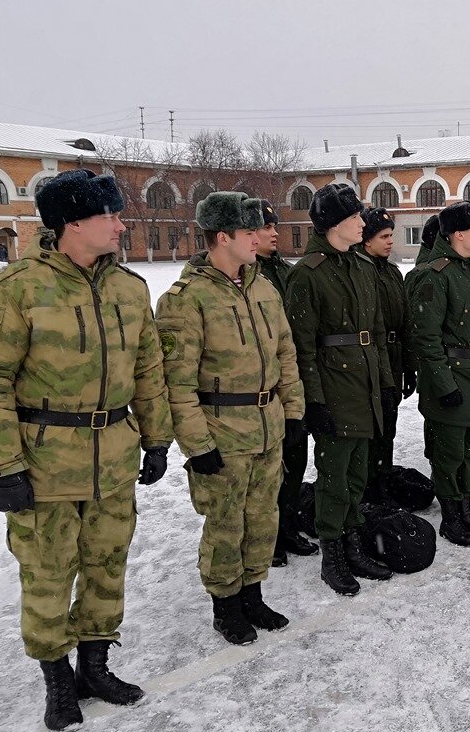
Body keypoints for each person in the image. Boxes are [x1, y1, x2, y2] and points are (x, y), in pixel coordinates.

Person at [0, 169, 173, 732]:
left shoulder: (130, 288)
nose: (122, 226)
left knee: (107, 567)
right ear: (73, 224)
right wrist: (3, 466)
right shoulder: (15, 289)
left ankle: (95, 667)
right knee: (48, 576)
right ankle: (57, 681)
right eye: (111, 216)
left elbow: (148, 370)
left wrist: (156, 438)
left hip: (115, 459)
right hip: (45, 465)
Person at [156, 192, 305, 645]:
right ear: (224, 237)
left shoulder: (263, 286)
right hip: (222, 430)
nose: (259, 238)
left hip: (268, 423)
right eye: (248, 232)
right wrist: (197, 445)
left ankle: (253, 593)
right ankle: (226, 604)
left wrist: (293, 412)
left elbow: (286, 352)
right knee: (226, 522)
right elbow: (176, 383)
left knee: (263, 517)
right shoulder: (186, 299)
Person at [289, 184, 397, 596]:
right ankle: (332, 555)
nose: (362, 223)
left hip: (366, 386)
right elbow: (303, 346)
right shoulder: (308, 274)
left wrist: (386, 384)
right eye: (355, 217)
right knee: (333, 477)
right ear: (334, 224)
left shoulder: (363, 268)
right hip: (334, 389)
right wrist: (313, 402)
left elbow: (378, 334)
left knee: (356, 473)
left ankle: (353, 544)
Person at [409, 201, 470, 542]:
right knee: (449, 450)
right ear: (458, 235)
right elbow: (425, 339)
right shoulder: (432, 275)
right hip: (451, 374)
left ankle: (465, 506)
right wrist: (443, 384)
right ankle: (451, 515)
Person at [254, 200, 318, 564]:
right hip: (258, 385)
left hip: (290, 378)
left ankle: (288, 525)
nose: (275, 233)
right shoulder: (241, 273)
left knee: (295, 456)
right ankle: (268, 537)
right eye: (266, 228)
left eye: (275, 226)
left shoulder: (284, 270)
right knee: (267, 468)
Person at [357, 207, 416, 506]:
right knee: (373, 426)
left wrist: (409, 367)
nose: (390, 241)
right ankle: (369, 486)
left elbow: (405, 320)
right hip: (371, 356)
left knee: (389, 424)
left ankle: (382, 478)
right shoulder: (360, 271)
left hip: (393, 355)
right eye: (384, 236)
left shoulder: (393, 272)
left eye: (392, 235)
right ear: (366, 240)